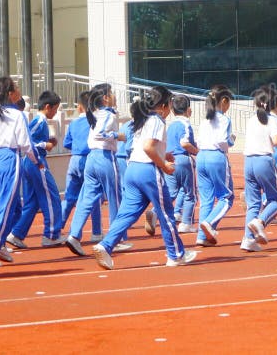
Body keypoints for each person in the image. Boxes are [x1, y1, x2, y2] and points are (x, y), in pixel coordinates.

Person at [92, 86, 197, 270]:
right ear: (164, 105)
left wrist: (165, 155)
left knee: (127, 213)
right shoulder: (157, 120)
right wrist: (163, 165)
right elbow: (149, 147)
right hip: (148, 171)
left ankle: (105, 245)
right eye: (170, 104)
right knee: (166, 214)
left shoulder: (141, 119)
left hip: (133, 169)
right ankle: (176, 255)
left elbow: (142, 146)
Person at [0, 77, 38, 267]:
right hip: (10, 158)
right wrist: (37, 161)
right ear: (11, 94)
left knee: (14, 208)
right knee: (7, 206)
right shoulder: (18, 115)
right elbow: (26, 143)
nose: (19, 90)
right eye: (16, 87)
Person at [66, 83, 129, 256]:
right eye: (112, 93)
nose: (115, 96)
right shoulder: (108, 115)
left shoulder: (93, 114)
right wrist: (118, 135)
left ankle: (74, 235)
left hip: (91, 158)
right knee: (115, 197)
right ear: (106, 98)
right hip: (105, 157)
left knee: (87, 198)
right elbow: (101, 133)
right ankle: (115, 239)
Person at [8, 90, 64, 248]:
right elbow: (26, 140)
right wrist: (44, 145)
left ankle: (17, 233)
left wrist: (47, 142)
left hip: (30, 162)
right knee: (51, 197)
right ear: (48, 107)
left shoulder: (41, 122)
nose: (56, 112)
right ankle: (52, 234)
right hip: (36, 161)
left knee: (32, 201)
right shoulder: (39, 121)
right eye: (55, 108)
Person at [241, 85, 277, 252]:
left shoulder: (251, 119)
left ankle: (248, 239)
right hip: (264, 161)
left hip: (248, 162)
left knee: (253, 203)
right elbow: (275, 141)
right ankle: (260, 222)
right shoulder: (272, 120)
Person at [195, 85, 235, 246]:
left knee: (206, 200)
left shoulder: (206, 119)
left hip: (201, 157)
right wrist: (232, 140)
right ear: (224, 101)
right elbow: (223, 141)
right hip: (216, 157)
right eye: (229, 102)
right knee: (227, 197)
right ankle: (209, 223)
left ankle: (202, 236)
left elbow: (198, 141)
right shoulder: (224, 119)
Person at [60, 91, 102, 240]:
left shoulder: (73, 123)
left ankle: (57, 230)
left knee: (69, 197)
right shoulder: (95, 121)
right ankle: (96, 232)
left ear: (79, 107)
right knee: (93, 195)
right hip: (89, 159)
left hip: (74, 160)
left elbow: (66, 143)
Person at [165, 95, 199, 234]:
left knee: (171, 192)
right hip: (183, 159)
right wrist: (197, 152)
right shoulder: (185, 124)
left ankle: (156, 213)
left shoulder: (171, 125)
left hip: (170, 159)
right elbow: (184, 143)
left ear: (172, 110)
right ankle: (186, 223)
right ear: (188, 109)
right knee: (190, 193)